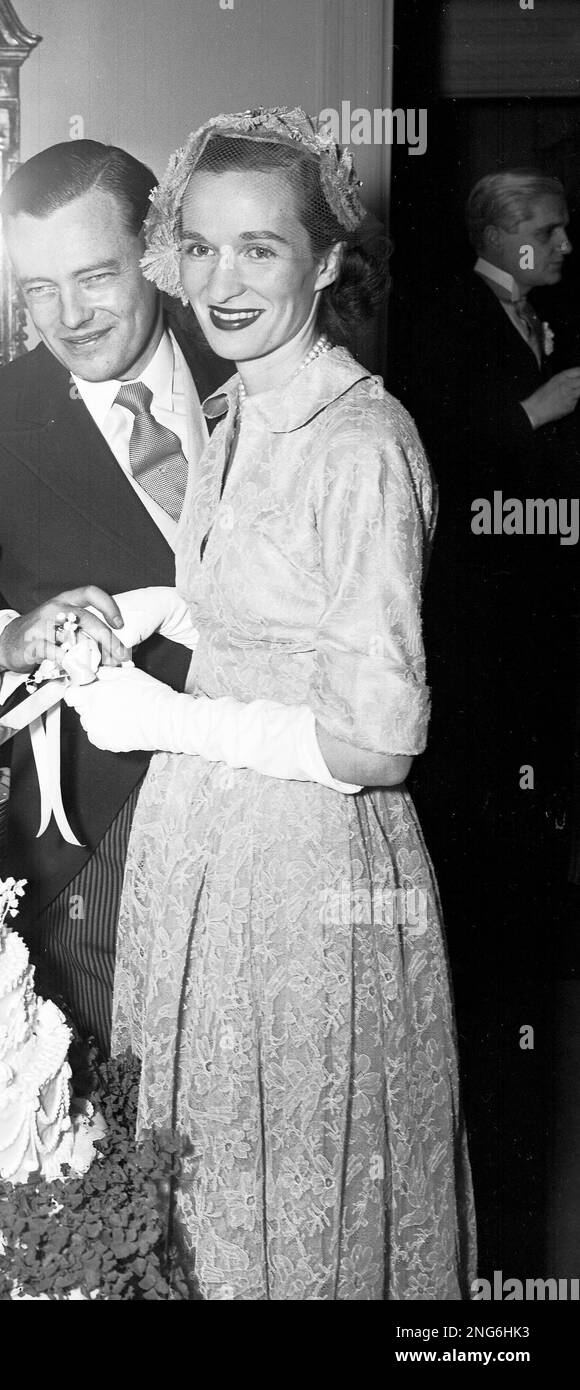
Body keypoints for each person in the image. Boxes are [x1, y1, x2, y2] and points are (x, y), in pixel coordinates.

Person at [66, 109, 475, 1299]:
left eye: (258, 249)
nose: (219, 280)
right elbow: (267, 623)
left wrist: (167, 719)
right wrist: (156, 613)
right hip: (202, 844)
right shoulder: (240, 406)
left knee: (291, 1200)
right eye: (197, 248)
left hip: (305, 871)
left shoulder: (361, 442)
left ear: (327, 260)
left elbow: (377, 737)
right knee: (202, 1177)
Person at [0, 141, 225, 1054]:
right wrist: (5, 639)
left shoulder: (257, 367)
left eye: (95, 276)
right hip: (103, 835)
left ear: (156, 253)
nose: (69, 317)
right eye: (39, 288)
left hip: (281, 793)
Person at [395, 170, 578, 1273]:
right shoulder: (441, 320)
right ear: (502, 236)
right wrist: (535, 408)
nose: (562, 241)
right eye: (547, 228)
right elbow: (437, 464)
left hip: (531, 616)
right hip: (471, 629)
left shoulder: (537, 315)